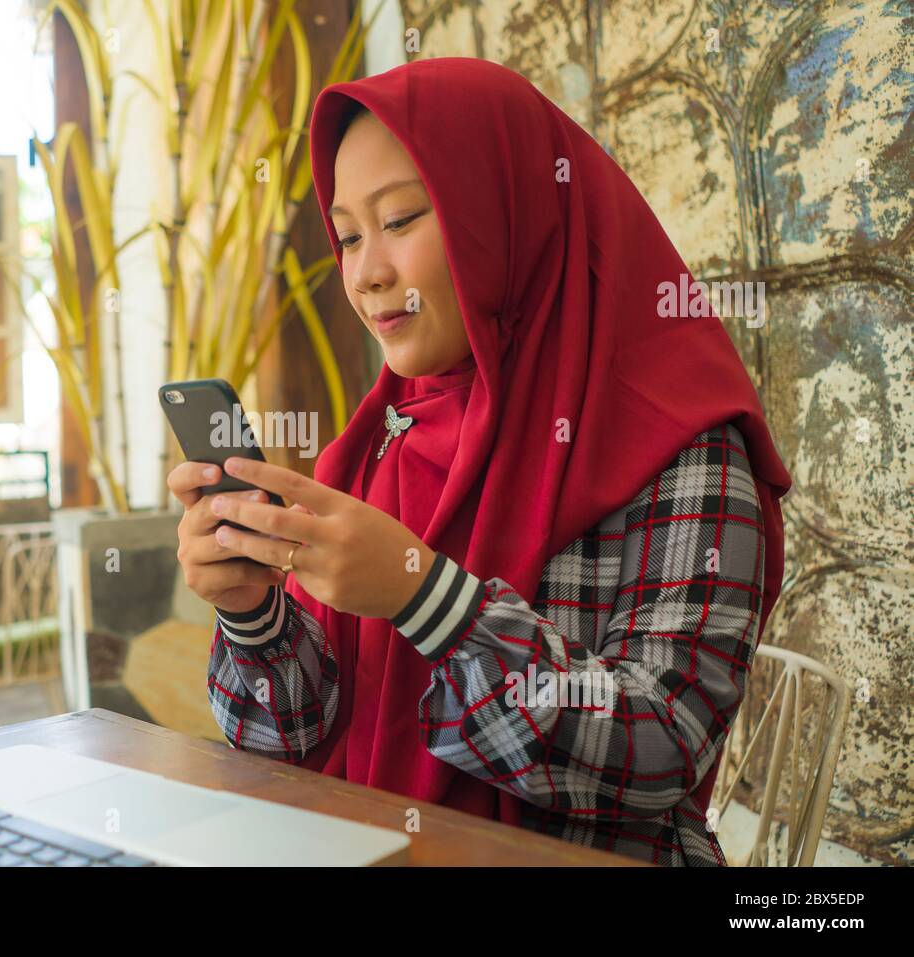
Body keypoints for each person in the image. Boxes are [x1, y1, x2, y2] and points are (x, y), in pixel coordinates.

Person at [167, 57, 792, 866]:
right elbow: (290, 739)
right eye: (349, 235)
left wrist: (424, 595)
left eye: (400, 220)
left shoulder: (680, 441)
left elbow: (660, 751)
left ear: (509, 210)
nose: (367, 274)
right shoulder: (381, 440)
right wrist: (253, 613)